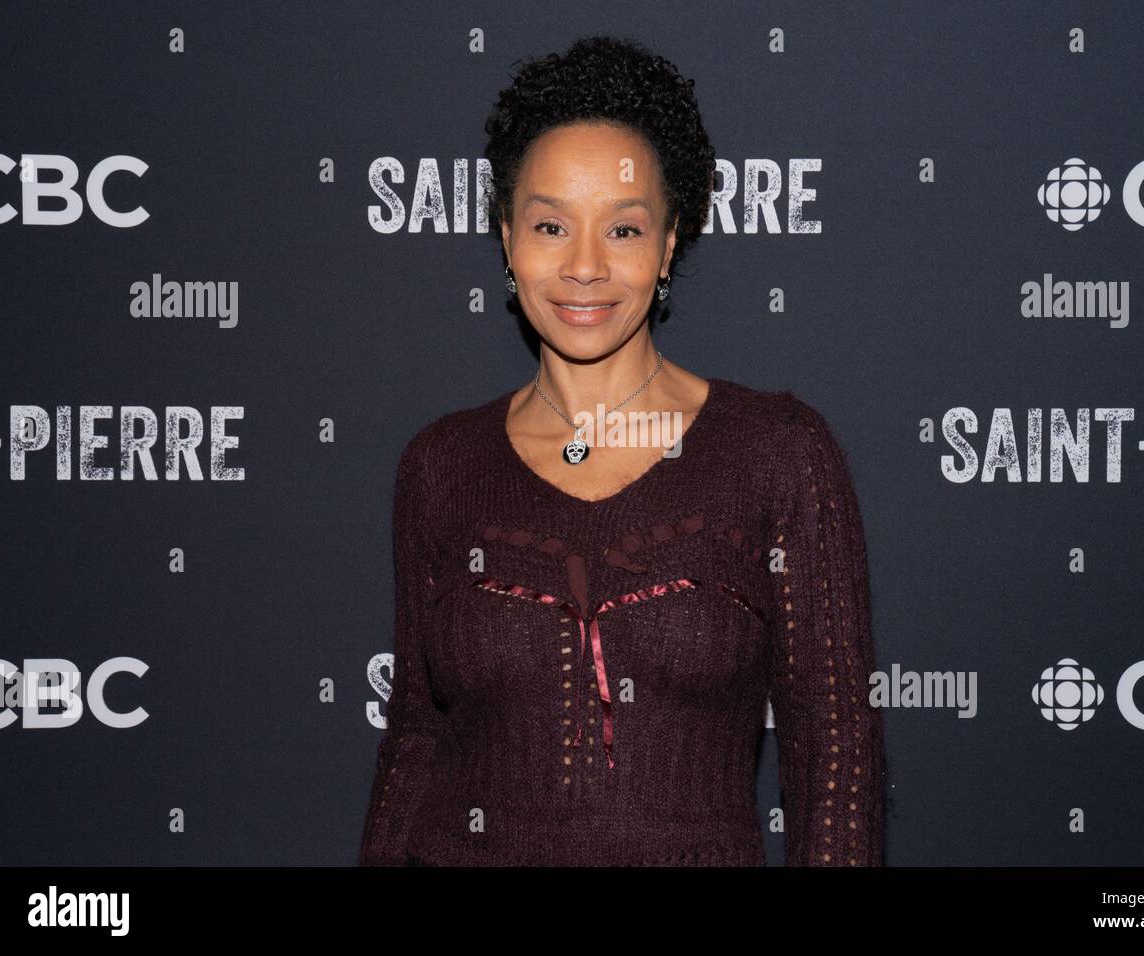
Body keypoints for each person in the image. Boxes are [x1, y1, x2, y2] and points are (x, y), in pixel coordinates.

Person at [359, 35, 886, 866]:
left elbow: (837, 760)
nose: (584, 267)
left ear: (670, 244)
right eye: (550, 225)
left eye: (625, 229)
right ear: (506, 237)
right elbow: (416, 745)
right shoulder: (440, 465)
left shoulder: (778, 452)